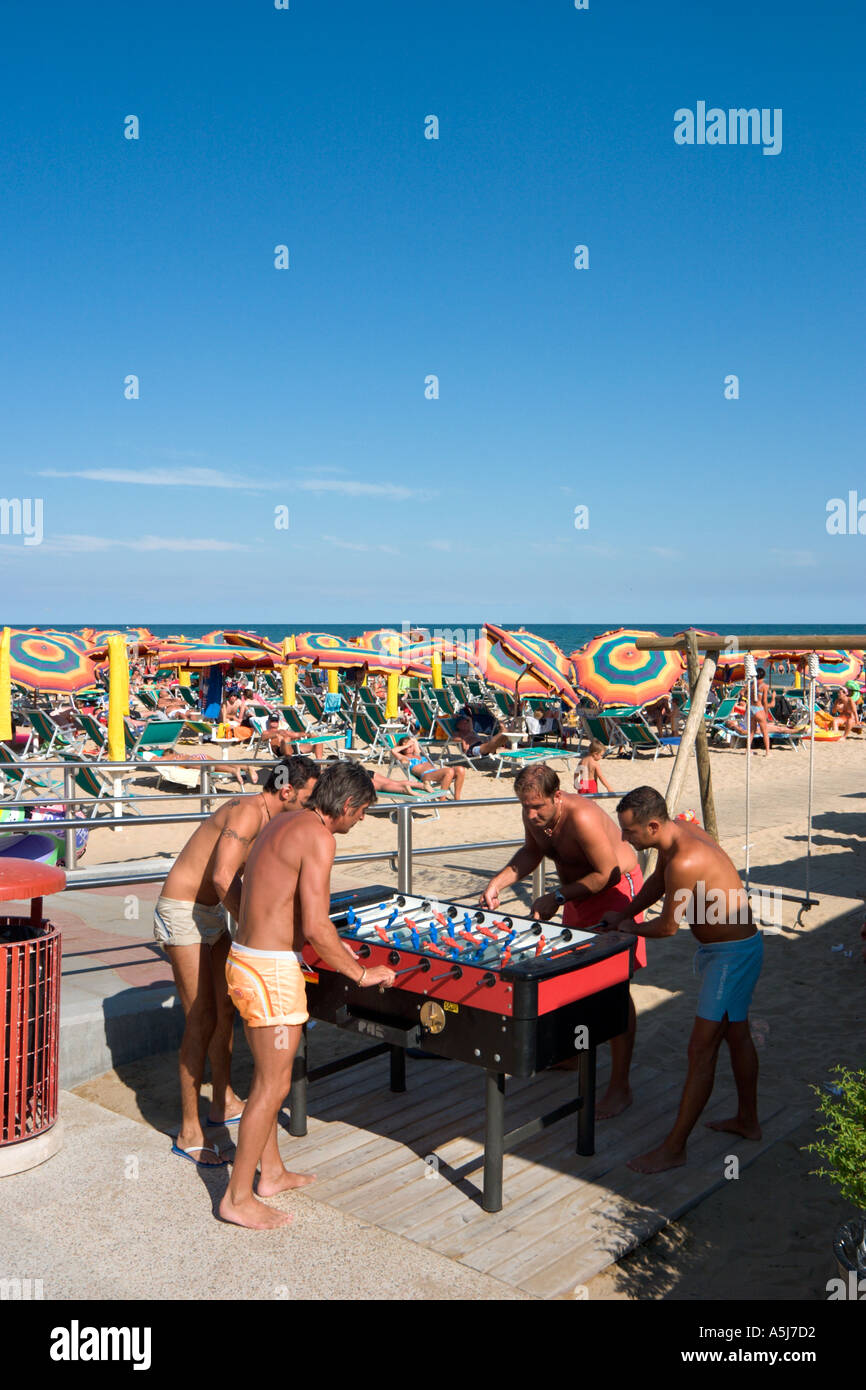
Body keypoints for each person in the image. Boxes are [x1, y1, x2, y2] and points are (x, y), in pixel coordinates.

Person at [219, 762, 396, 1229]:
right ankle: (236, 1197)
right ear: (349, 806)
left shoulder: (281, 821)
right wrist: (360, 973)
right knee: (272, 1087)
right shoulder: (320, 837)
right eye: (361, 816)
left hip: (244, 958)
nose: (358, 824)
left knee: (266, 1078)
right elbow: (318, 925)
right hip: (270, 972)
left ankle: (271, 1173)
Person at [154, 755, 319, 1167]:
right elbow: (222, 878)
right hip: (182, 911)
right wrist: (254, 928)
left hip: (209, 915)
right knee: (200, 1018)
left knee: (226, 1007)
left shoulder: (268, 819)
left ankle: (222, 1101)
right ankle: (189, 1131)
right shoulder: (247, 813)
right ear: (287, 791)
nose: (312, 805)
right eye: (309, 796)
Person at [597, 785, 763, 1174]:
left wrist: (627, 929)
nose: (624, 839)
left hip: (731, 959)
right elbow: (657, 883)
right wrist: (626, 914)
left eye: (630, 832)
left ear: (653, 825)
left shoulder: (686, 859)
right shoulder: (679, 833)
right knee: (735, 1035)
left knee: (700, 1051)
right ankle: (748, 1121)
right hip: (726, 952)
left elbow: (669, 927)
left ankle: (675, 1149)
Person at [480, 763, 644, 1118]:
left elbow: (607, 872)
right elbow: (531, 852)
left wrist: (555, 898)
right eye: (525, 806)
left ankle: (620, 1085)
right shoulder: (535, 814)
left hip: (615, 890)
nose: (531, 813)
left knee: (615, 985)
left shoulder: (581, 817)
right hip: (575, 895)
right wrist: (498, 882)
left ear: (557, 796)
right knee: (570, 974)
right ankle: (570, 1055)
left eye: (537, 806)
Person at [391, 735, 466, 798]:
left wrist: (413, 742)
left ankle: (457, 799)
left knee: (461, 769)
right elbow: (393, 751)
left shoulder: (417, 754)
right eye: (407, 747)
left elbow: (415, 742)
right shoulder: (404, 758)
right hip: (426, 776)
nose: (409, 748)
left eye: (411, 746)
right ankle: (442, 799)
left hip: (436, 772)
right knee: (449, 771)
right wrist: (406, 745)